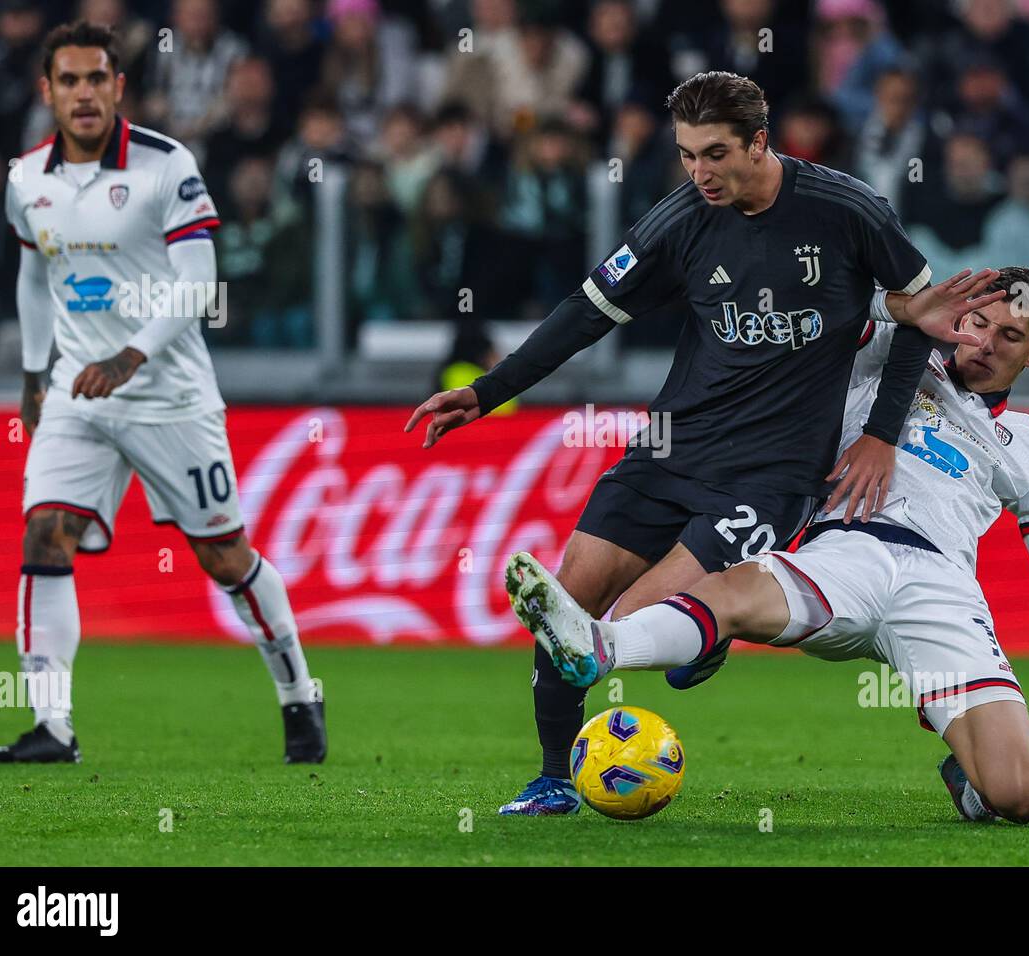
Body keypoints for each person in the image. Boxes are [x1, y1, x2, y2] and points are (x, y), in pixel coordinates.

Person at [407, 71, 998, 815]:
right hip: (670, 448)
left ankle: (705, 632)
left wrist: (880, 434)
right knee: (567, 600)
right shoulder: (680, 219)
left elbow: (924, 314)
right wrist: (487, 392)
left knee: (621, 628)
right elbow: (586, 312)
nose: (699, 173)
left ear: (760, 142)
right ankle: (555, 777)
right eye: (687, 155)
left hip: (770, 475)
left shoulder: (846, 209)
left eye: (715, 154)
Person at [508, 265, 1029, 824]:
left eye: (1009, 336)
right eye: (976, 323)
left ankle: (965, 767)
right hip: (848, 547)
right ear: (956, 318)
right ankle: (600, 648)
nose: (984, 344)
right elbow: (843, 302)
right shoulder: (890, 362)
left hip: (942, 588)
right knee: (725, 592)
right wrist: (910, 301)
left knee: (1020, 798)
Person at [0, 21, 325, 765]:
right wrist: (36, 374)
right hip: (78, 390)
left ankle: (298, 689)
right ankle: (52, 726)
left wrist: (133, 355)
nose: (83, 94)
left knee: (225, 557)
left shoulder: (169, 167)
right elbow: (34, 275)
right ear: (47, 92)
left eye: (96, 79)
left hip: (170, 395)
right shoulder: (25, 179)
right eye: (68, 81)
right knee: (45, 533)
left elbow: (200, 282)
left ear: (118, 86)